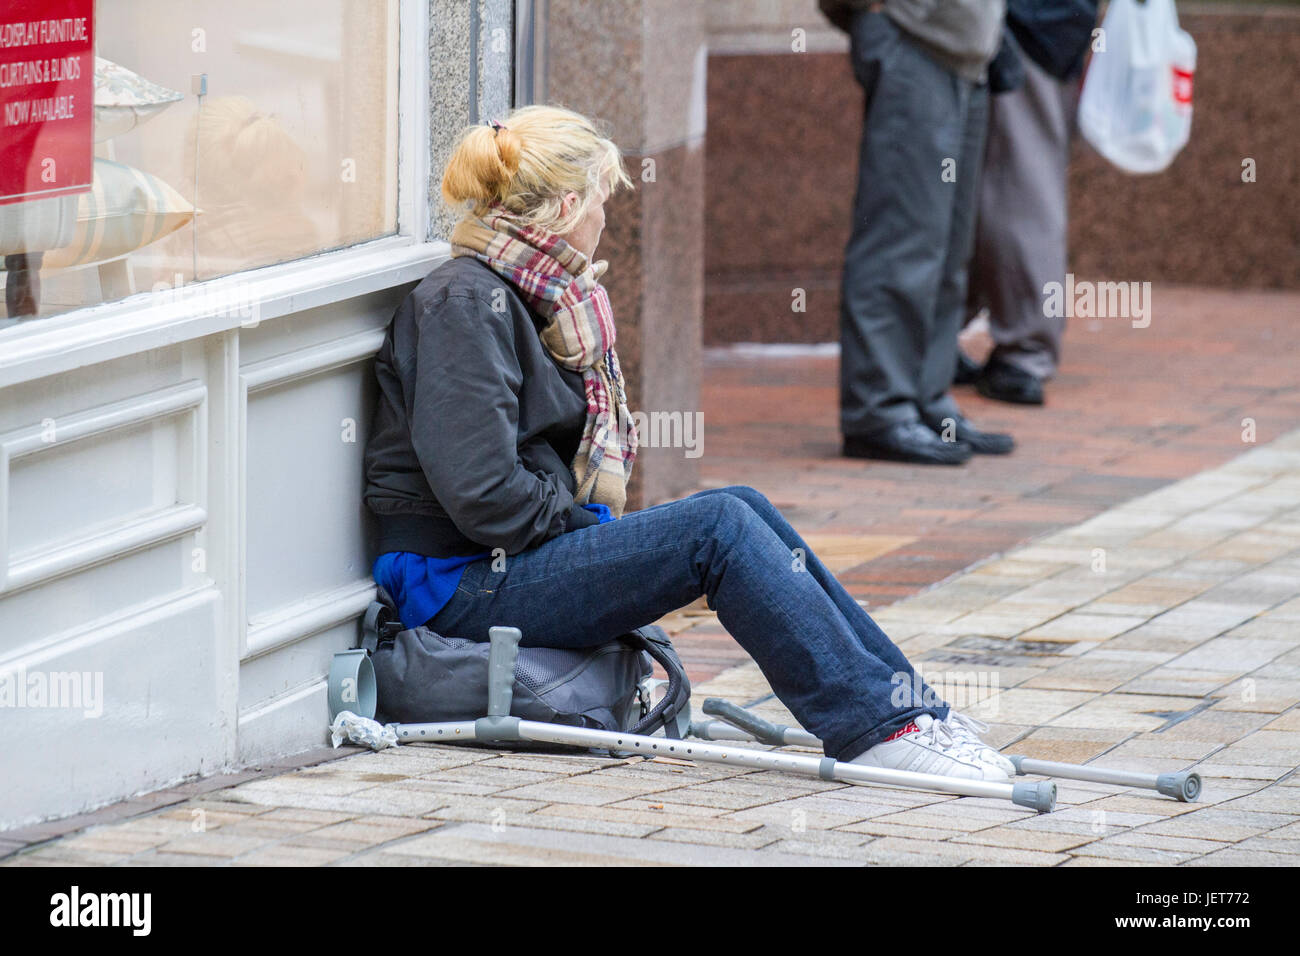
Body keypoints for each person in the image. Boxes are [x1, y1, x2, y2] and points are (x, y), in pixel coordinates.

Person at [361, 105, 1012, 781]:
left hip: (507, 556)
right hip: (461, 585)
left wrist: (579, 523)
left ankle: (908, 712)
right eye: (603, 203)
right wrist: (583, 522)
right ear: (569, 205)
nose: (604, 222)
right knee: (719, 527)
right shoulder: (464, 305)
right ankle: (875, 728)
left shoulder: (533, 297)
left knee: (741, 503)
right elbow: (486, 499)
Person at [821, 0, 1015, 465]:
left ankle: (927, 403)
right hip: (913, 42)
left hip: (962, 52)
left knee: (945, 249)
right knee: (901, 242)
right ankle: (879, 412)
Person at [957, 0, 1101, 405]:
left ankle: (1025, 354)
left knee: (1020, 188)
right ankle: (947, 335)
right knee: (1006, 183)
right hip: (1045, 25)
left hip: (1027, 27)